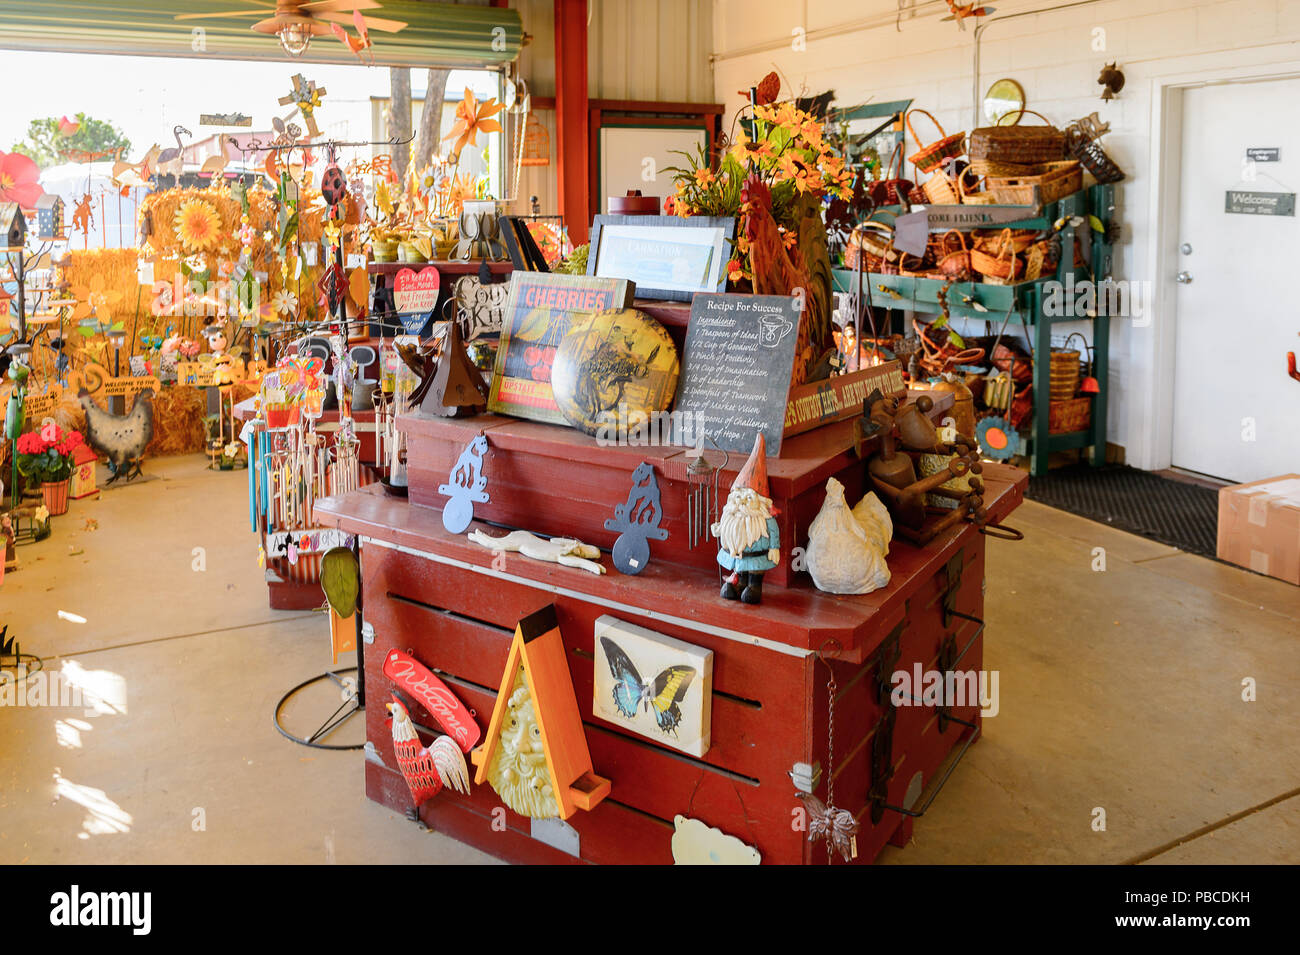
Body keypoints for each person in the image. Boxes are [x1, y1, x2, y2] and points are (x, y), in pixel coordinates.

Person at [712, 432, 780, 605]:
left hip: (757, 556)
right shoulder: (731, 515)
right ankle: (738, 584)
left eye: (748, 498)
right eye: (738, 497)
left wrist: (774, 548)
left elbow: (773, 531)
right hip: (736, 555)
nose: (741, 502)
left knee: (754, 574)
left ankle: (754, 587)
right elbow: (728, 528)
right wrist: (720, 529)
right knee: (740, 571)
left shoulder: (763, 519)